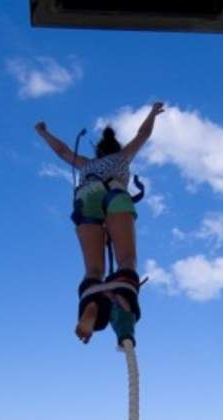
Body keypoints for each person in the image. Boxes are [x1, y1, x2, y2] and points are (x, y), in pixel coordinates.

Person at [35, 101, 165, 343]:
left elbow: (62, 151)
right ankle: (123, 298)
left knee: (94, 270)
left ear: (98, 151)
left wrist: (44, 132)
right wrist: (152, 113)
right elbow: (143, 134)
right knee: (126, 261)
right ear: (115, 147)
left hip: (86, 196)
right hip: (115, 193)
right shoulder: (123, 156)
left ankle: (92, 303)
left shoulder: (86, 164)